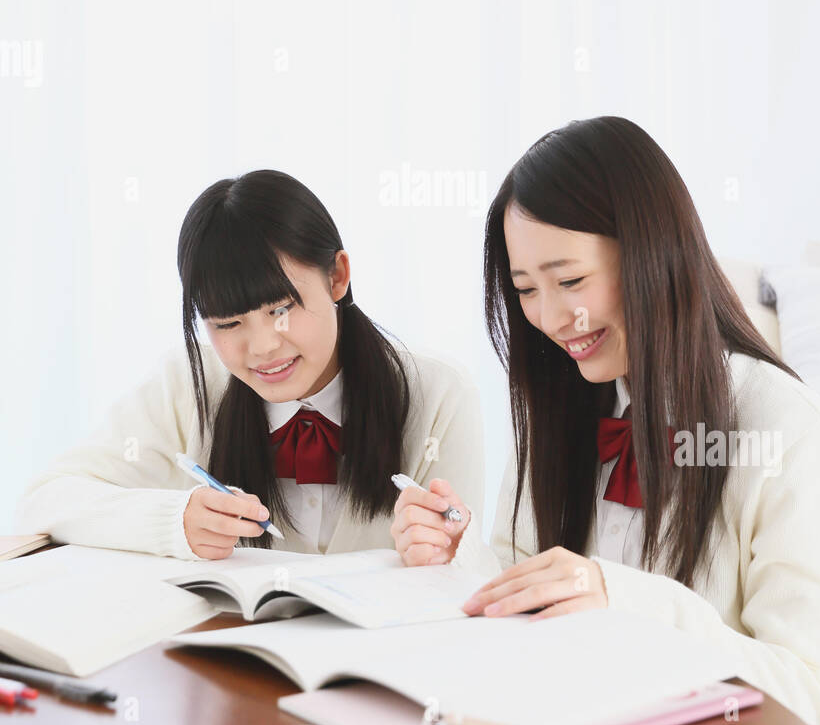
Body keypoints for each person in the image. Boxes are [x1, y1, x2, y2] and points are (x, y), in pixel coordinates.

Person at [448, 116, 820, 725]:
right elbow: (523, 612)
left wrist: (625, 599)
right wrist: (455, 557)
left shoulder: (793, 435)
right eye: (525, 290)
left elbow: (818, 709)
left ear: (652, 253)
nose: (551, 317)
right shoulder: (560, 416)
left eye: (570, 279)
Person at [16, 169, 482, 564]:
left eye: (282, 308)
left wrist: (451, 552)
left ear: (337, 276)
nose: (261, 348)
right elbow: (44, 501)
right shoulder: (189, 383)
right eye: (228, 322)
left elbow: (480, 573)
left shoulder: (438, 393)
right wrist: (174, 522)